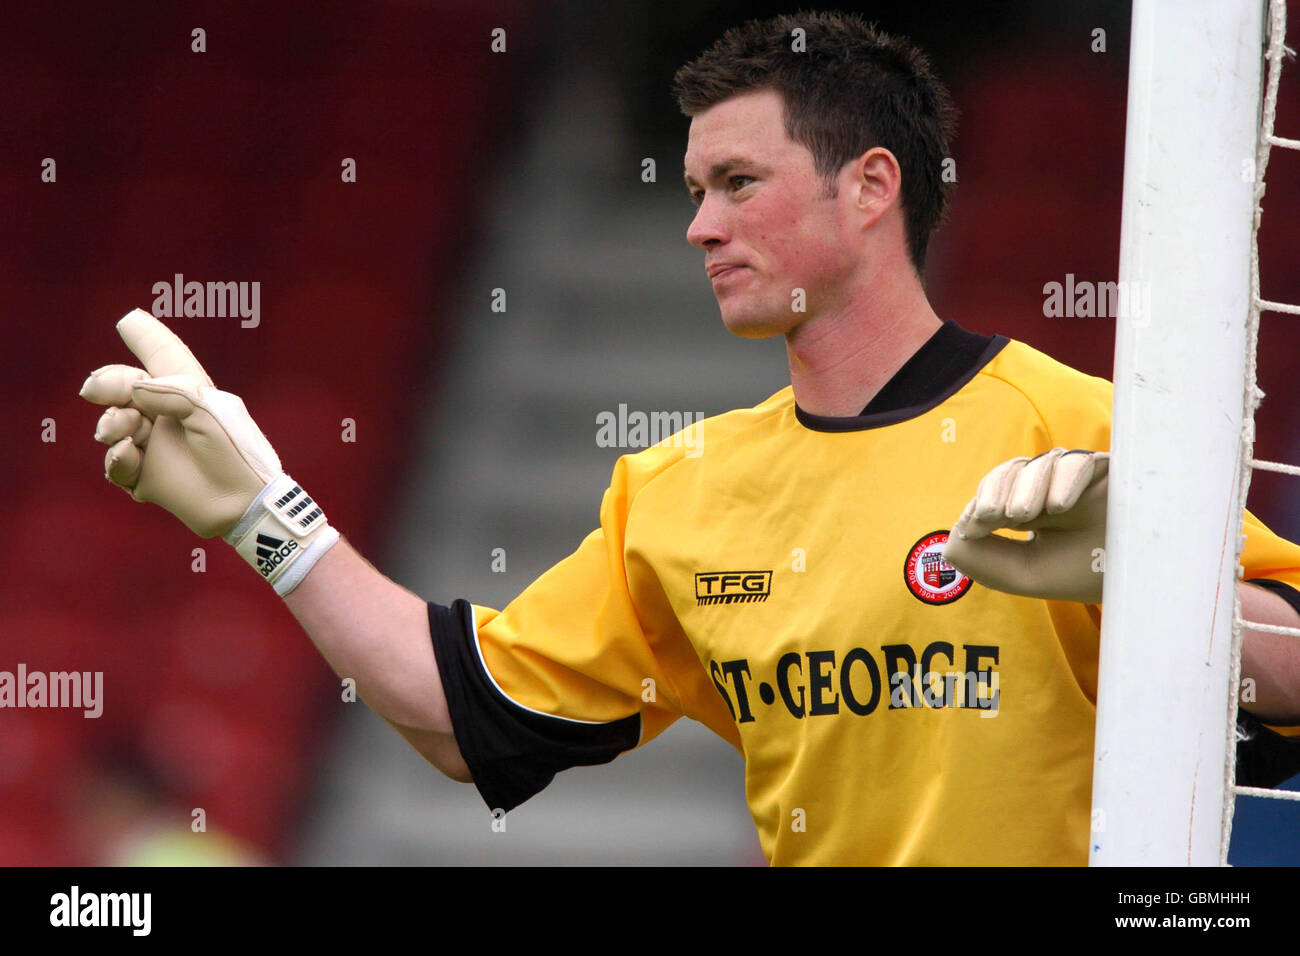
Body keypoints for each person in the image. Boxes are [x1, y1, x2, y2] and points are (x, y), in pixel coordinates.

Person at [80, 12, 1300, 865]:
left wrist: (1144, 587)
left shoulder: (1075, 426)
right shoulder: (679, 494)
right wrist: (263, 513)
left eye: (735, 182)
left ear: (869, 187)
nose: (698, 226)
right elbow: (467, 713)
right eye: (691, 189)